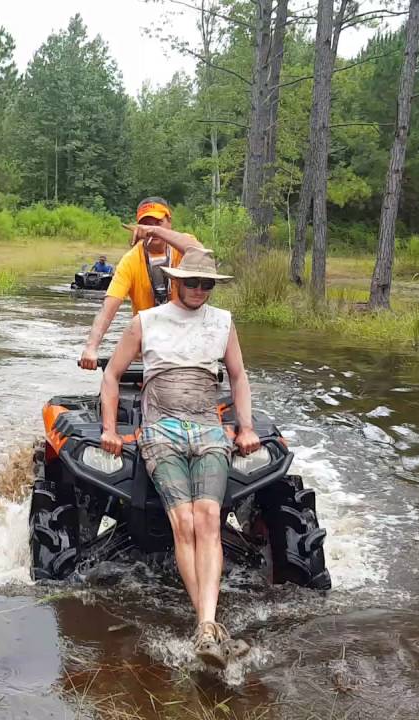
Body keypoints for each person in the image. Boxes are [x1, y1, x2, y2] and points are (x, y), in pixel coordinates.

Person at [99, 247, 258, 669]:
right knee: (183, 522)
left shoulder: (223, 323)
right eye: (193, 282)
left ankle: (206, 625)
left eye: (207, 284)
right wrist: (110, 430)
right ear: (175, 281)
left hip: (208, 428)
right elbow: (112, 375)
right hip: (160, 430)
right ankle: (208, 627)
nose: (200, 290)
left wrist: (246, 427)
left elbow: (239, 376)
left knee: (209, 519)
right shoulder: (145, 322)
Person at [78, 197, 203, 370]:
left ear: (169, 222)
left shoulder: (185, 246)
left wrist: (156, 231)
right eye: (146, 225)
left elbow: (201, 253)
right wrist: (91, 347)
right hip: (148, 350)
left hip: (187, 345)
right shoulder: (130, 261)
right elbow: (108, 309)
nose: (151, 230)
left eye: (158, 223)